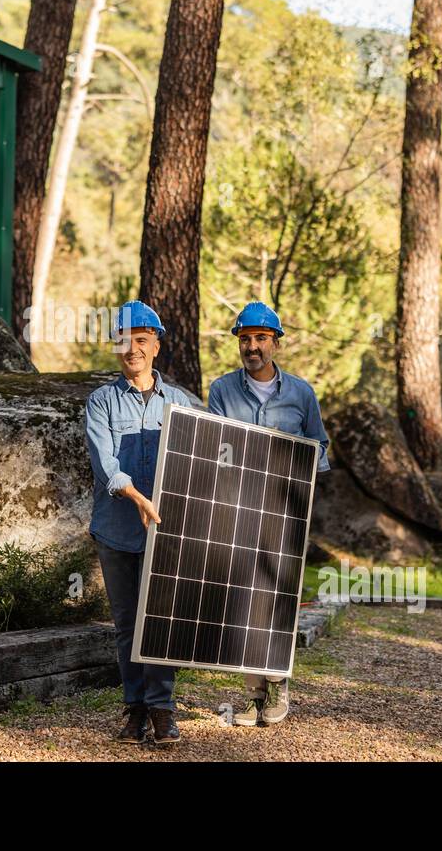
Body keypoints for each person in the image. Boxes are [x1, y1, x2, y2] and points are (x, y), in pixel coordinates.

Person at [206, 301, 331, 727]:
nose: (252, 346)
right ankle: (251, 696)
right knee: (242, 599)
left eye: (260, 338)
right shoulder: (222, 390)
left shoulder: (301, 394)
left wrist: (296, 468)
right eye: (245, 339)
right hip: (239, 508)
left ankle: (278, 686)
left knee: (277, 599)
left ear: (275, 343)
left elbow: (321, 448)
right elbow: (215, 447)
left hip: (284, 512)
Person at [85, 300, 195, 746]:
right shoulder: (101, 402)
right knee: (128, 624)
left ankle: (163, 711)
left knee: (161, 620)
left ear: (156, 346)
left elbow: (196, 462)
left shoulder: (182, 403)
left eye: (141, 340)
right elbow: (105, 463)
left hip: (163, 531)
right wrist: (135, 496)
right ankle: (135, 710)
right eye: (124, 340)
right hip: (116, 531)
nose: (132, 348)